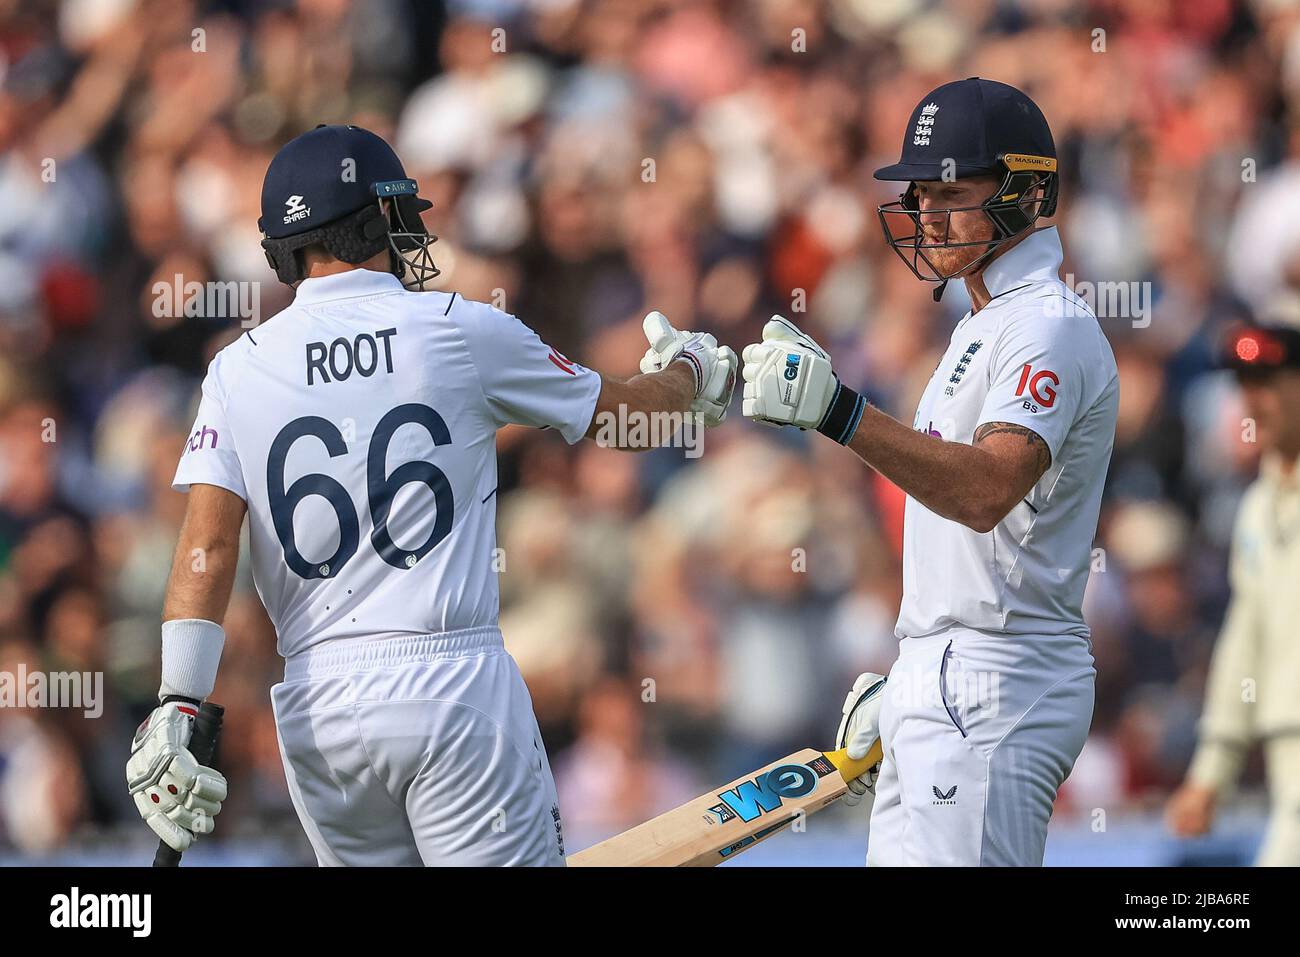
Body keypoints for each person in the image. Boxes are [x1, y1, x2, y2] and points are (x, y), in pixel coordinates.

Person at [124, 124, 736, 866]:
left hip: (319, 709)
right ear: (385, 219)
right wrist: (693, 370)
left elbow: (207, 548)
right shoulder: (458, 328)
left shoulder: (236, 368)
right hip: (451, 681)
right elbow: (632, 419)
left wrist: (177, 703)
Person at [740, 78, 1119, 865]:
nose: (927, 213)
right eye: (921, 192)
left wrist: (839, 413)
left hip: (996, 677)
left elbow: (985, 489)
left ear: (1027, 191)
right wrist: (915, 671)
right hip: (950, 674)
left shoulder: (1047, 324)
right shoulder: (981, 322)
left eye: (952, 189)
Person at [1166, 321, 1300, 866]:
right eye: (1245, 386)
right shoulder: (1255, 510)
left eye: (1268, 382)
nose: (1253, 401)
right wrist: (1210, 773)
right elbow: (1246, 639)